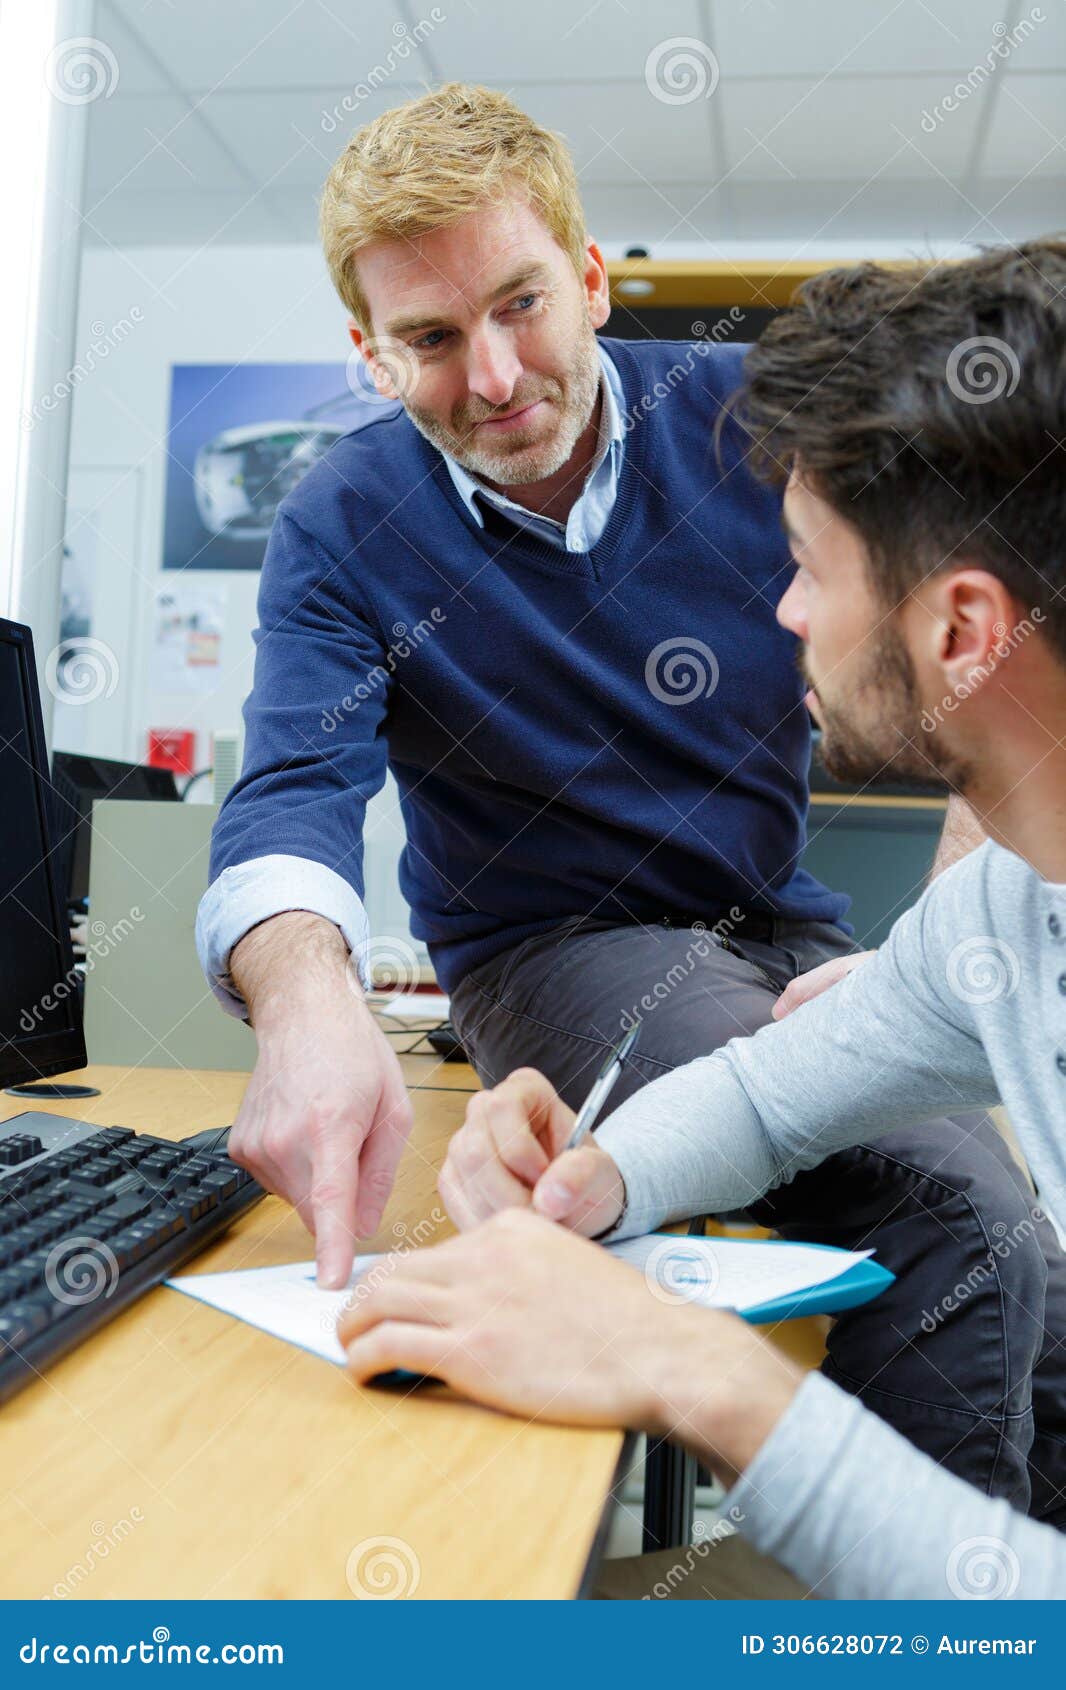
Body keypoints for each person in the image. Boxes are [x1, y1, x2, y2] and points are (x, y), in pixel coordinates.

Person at [195, 83, 1065, 1500]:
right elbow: (293, 784)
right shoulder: (342, 518)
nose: (492, 377)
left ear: (592, 279)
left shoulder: (747, 420)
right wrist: (305, 1005)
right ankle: (930, 1605)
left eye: (521, 304)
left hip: (781, 916)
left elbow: (976, 627)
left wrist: (961, 937)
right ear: (370, 355)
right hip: (557, 945)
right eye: (430, 338)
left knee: (1040, 1280)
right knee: (955, 1218)